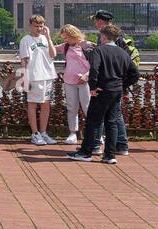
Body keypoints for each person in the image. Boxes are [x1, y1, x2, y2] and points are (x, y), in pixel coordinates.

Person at [69, 24, 139, 165]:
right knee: (111, 122)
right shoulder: (122, 52)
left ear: (105, 37)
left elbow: (94, 69)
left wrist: (93, 87)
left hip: (101, 90)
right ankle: (109, 155)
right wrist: (123, 85)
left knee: (93, 121)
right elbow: (135, 74)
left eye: (101, 36)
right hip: (116, 91)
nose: (100, 38)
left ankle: (86, 152)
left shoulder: (99, 51)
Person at [89, 11, 134, 158]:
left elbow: (99, 65)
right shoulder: (116, 37)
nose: (95, 23)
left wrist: (94, 86)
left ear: (101, 21)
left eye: (96, 20)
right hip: (116, 85)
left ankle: (97, 145)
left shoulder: (113, 39)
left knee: (104, 116)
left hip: (108, 85)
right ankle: (120, 146)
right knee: (115, 116)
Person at [19, 15, 59, 145]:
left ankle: (43, 132)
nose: (39, 28)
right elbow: (24, 60)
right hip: (34, 76)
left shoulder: (45, 38)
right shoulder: (25, 40)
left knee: (46, 104)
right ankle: (35, 133)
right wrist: (25, 78)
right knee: (32, 104)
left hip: (47, 75)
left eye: (41, 25)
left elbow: (53, 54)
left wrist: (48, 37)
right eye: (36, 26)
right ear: (30, 25)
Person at [58, 25, 91, 146]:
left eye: (66, 37)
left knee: (88, 108)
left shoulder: (86, 45)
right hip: (69, 81)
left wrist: (87, 75)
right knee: (71, 108)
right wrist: (46, 36)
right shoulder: (66, 46)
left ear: (73, 35)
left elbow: (96, 62)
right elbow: (51, 50)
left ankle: (96, 133)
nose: (65, 40)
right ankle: (72, 133)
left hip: (84, 82)